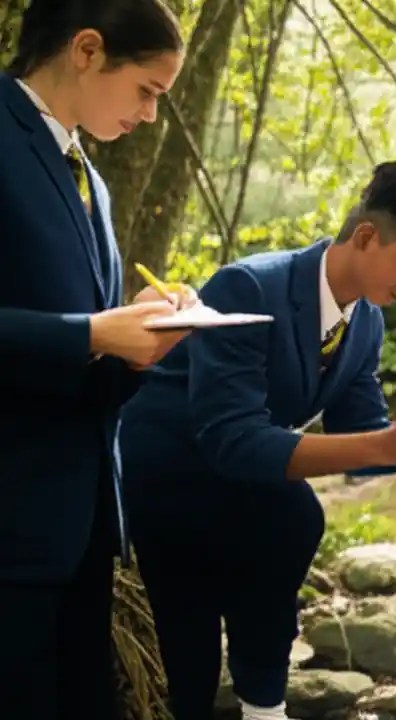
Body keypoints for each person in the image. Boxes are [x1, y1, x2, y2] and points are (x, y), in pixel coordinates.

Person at [119, 162, 396, 720]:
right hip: (173, 474)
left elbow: (362, 435)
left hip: (248, 468)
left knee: (292, 523)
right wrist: (390, 443)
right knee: (192, 630)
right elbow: (235, 441)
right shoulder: (248, 285)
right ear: (366, 236)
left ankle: (264, 706)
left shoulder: (366, 323)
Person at [0, 1, 191, 717]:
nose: (148, 117)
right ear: (87, 50)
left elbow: (90, 362)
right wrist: (92, 331)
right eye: (147, 90)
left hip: (80, 525)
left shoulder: (93, 181)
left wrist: (142, 346)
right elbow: (80, 332)